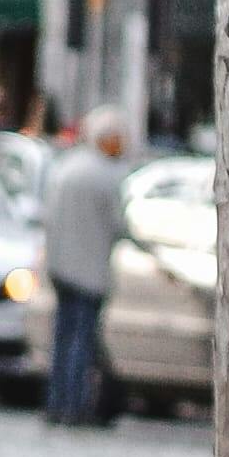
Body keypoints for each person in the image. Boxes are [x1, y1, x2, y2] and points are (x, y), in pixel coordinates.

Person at [39, 106, 131, 424]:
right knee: (81, 340)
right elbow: (120, 224)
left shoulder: (66, 169)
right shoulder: (107, 176)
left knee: (63, 339)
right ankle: (75, 405)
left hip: (61, 268)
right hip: (90, 271)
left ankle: (57, 401)